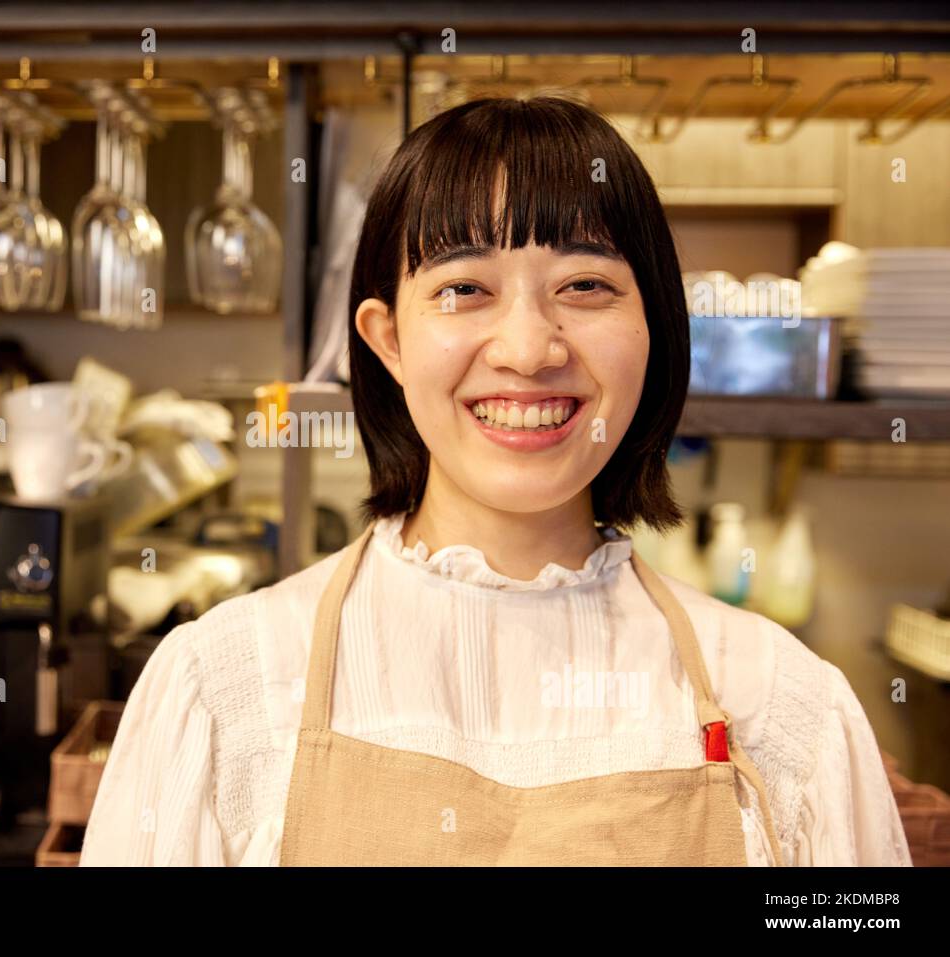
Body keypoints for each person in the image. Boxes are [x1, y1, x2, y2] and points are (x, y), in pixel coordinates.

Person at [80, 96, 911, 866]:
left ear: (654, 329)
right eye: (463, 288)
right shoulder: (224, 687)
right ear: (388, 339)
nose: (527, 347)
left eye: (585, 285)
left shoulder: (781, 703)